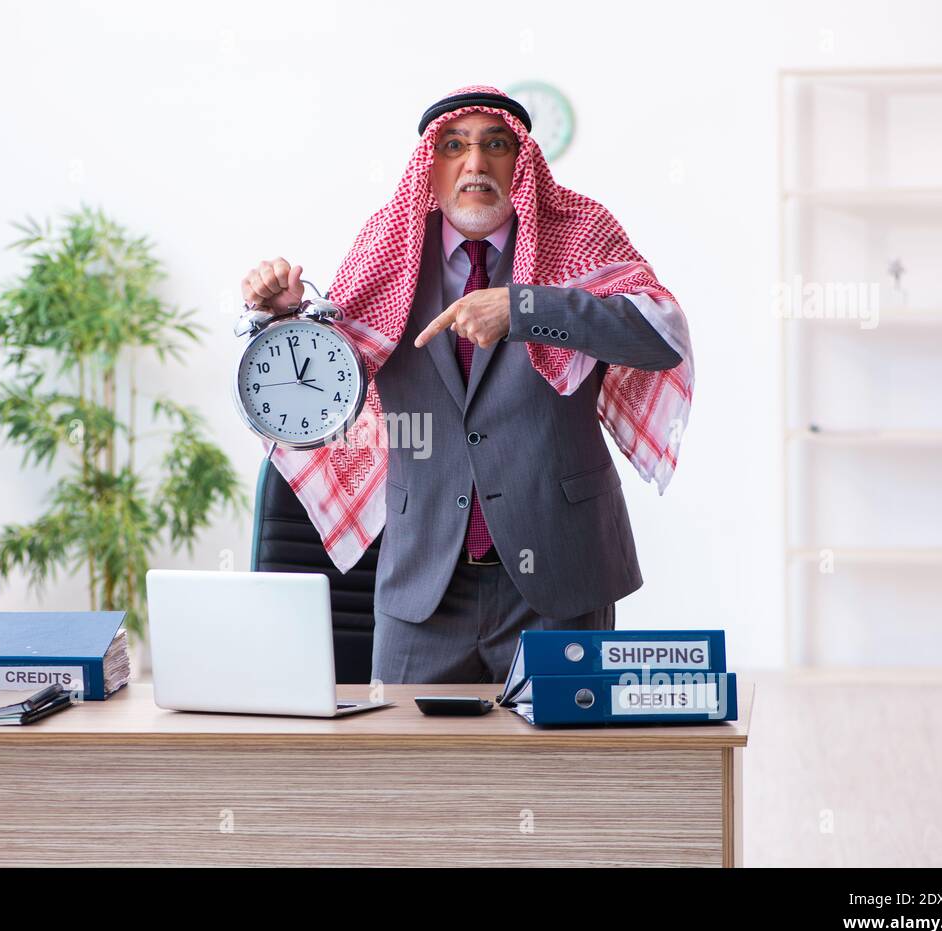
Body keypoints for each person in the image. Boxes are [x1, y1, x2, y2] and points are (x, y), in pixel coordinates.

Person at [240, 85, 693, 684]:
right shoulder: (388, 246)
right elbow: (323, 402)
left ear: (521, 160)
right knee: (408, 775)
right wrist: (285, 322)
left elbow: (662, 338)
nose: (475, 163)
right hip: (422, 582)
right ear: (431, 164)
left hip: (558, 578)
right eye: (454, 146)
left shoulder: (579, 231)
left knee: (556, 776)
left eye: (494, 145)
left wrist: (525, 308)